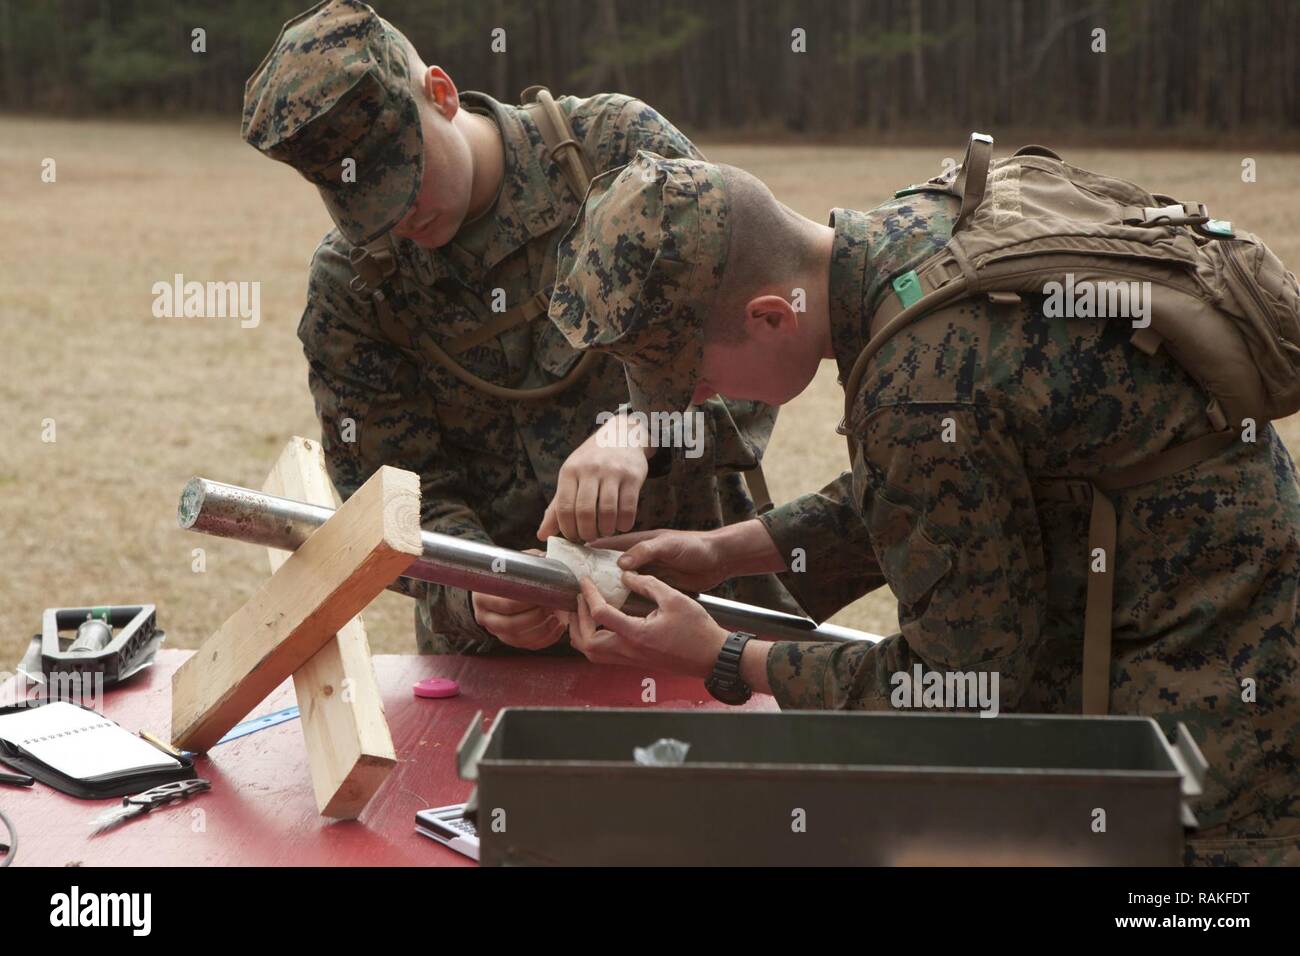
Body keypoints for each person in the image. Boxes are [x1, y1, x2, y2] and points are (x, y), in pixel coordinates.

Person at [545, 150, 1300, 865]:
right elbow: (955, 491)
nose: (699, 399)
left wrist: (725, 656)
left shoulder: (915, 386)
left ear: (771, 316)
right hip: (1229, 582)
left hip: (1214, 689)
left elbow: (961, 693)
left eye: (693, 376)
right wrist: (727, 550)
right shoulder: (907, 236)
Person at [239, 0, 794, 654]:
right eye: (363, 205)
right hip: (498, 667)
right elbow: (394, 500)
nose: (396, 217)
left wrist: (645, 423)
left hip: (704, 630)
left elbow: (768, 342)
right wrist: (473, 593)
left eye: (404, 179)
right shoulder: (352, 287)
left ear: (441, 94)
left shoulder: (617, 151)